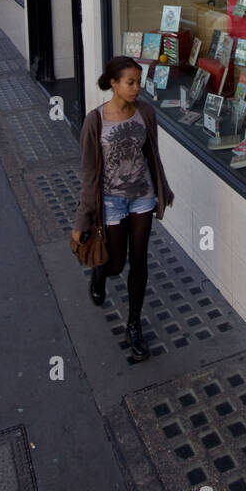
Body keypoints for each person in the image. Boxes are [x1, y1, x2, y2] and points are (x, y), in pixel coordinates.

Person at [71, 56, 174, 361]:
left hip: (142, 196)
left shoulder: (145, 112)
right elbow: (89, 174)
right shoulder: (95, 121)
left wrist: (162, 189)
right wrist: (83, 219)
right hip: (111, 200)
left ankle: (133, 325)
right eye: (130, 82)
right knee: (116, 264)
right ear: (113, 84)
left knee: (139, 261)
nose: (136, 88)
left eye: (138, 82)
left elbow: (151, 155)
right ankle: (100, 273)